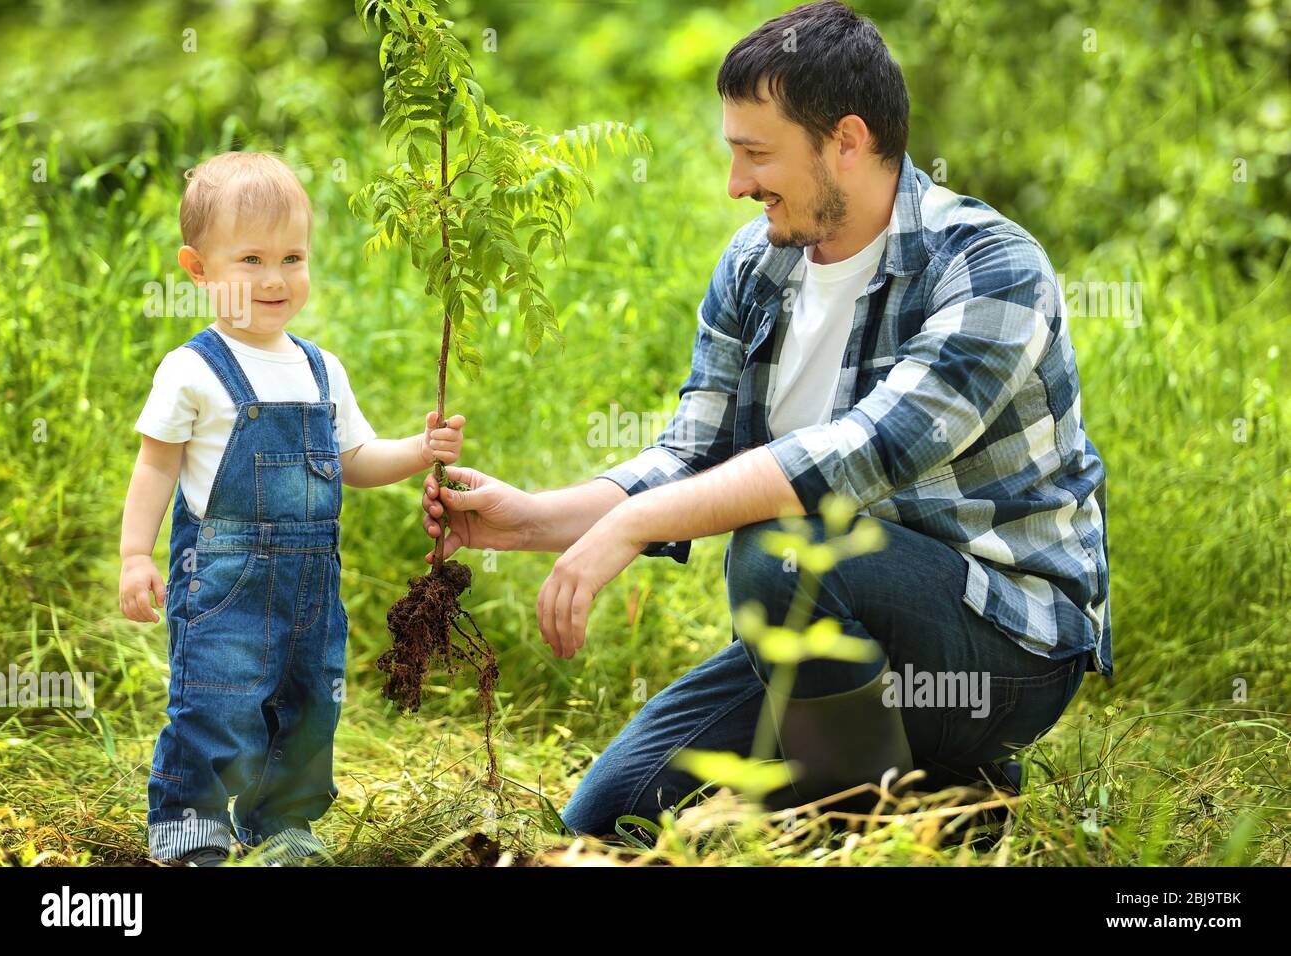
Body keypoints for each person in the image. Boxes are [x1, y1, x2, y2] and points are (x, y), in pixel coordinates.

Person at [423, 0, 1111, 837]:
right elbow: (691, 456)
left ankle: (862, 830)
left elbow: (858, 456)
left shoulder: (991, 266)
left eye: (756, 153)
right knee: (609, 819)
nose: (736, 184)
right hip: (834, 624)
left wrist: (637, 526)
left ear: (847, 142)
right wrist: (532, 519)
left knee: (780, 547)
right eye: (733, 152)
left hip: (1005, 643)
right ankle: (952, 799)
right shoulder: (757, 265)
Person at [118, 151, 466, 864]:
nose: (275, 279)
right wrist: (134, 556)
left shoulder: (320, 368)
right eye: (250, 259)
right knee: (215, 704)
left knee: (309, 708)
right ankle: (191, 826)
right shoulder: (192, 370)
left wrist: (420, 448)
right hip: (222, 584)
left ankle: (285, 826)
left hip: (312, 590)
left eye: (292, 257)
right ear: (198, 269)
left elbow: (354, 463)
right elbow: (155, 464)